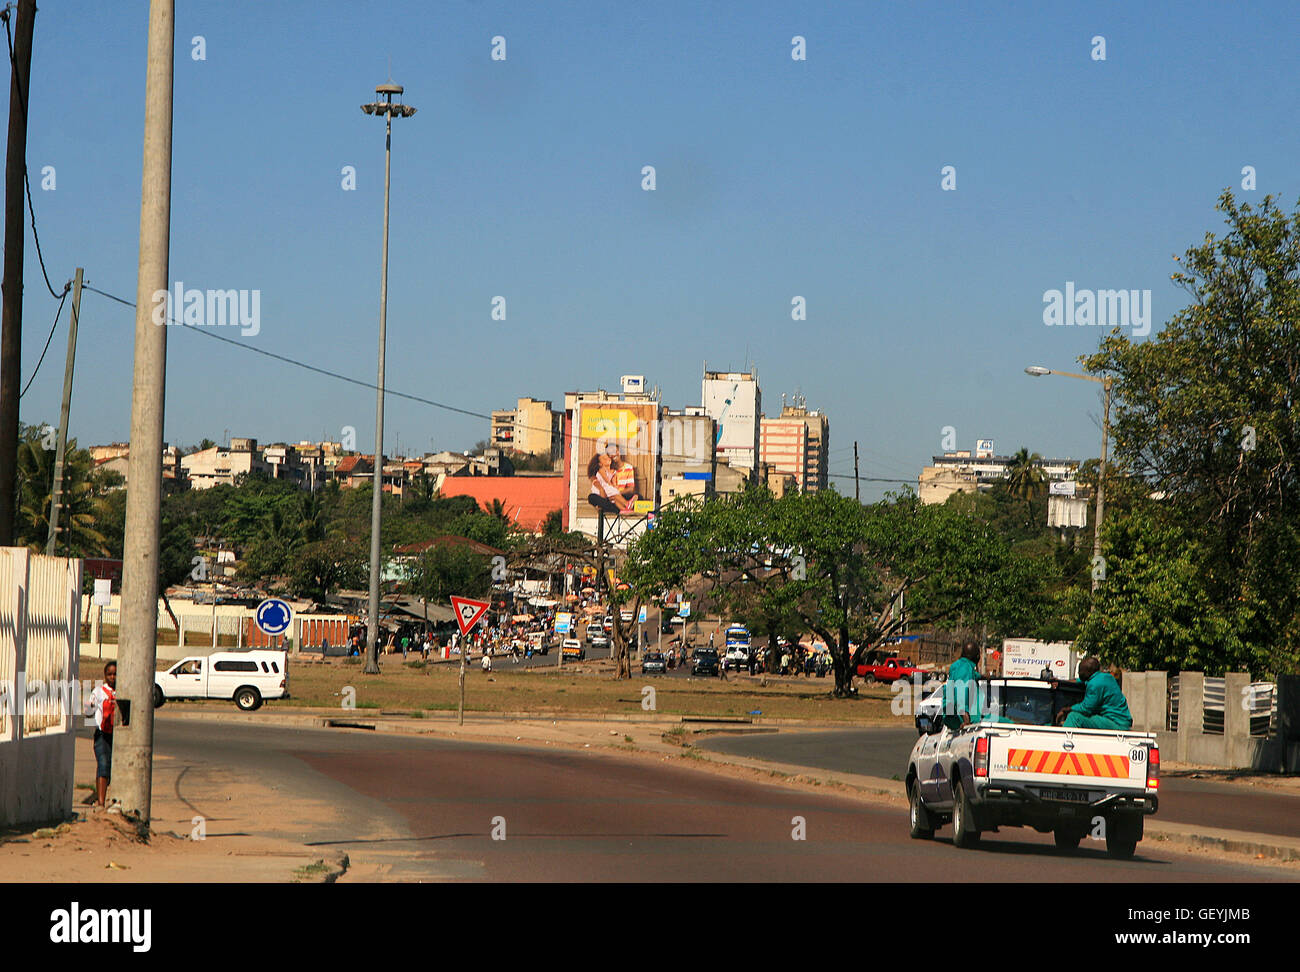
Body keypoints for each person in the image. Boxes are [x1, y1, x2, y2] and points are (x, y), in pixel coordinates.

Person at [1056, 657, 1132, 729]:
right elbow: (1080, 681)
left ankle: (1063, 741)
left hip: (1115, 723)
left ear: (1089, 671)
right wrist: (1060, 682)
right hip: (1122, 722)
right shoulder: (1107, 677)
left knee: (1074, 717)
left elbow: (1086, 708)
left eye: (1081, 670)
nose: (1079, 673)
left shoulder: (1094, 684)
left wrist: (1066, 709)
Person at [86, 662, 117, 809]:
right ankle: (100, 803)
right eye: (109, 674)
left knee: (111, 769)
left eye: (115, 674)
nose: (112, 677)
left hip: (116, 735)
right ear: (105, 675)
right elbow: (88, 709)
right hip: (102, 735)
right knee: (103, 765)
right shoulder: (99, 691)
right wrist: (90, 707)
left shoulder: (122, 691)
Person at [942, 643, 982, 731]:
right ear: (977, 656)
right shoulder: (965, 667)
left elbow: (967, 677)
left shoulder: (958, 666)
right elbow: (961, 691)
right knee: (1008, 723)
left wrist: (981, 676)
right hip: (965, 724)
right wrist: (965, 716)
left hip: (955, 720)